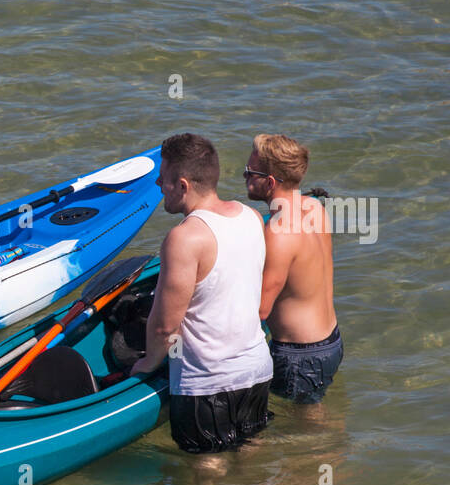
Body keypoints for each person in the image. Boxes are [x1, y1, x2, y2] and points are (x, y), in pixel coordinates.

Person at [130, 133, 273, 453]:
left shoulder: (184, 238)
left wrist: (148, 364)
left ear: (182, 185)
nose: (157, 184)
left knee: (205, 478)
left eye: (163, 178)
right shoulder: (250, 217)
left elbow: (166, 326)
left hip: (208, 384)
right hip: (256, 370)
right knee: (252, 459)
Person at [244, 133, 343, 403]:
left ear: (271, 182)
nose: (245, 177)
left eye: (249, 172)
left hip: (301, 355)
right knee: (311, 421)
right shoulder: (314, 208)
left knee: (306, 434)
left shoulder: (278, 232)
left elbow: (260, 310)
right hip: (330, 340)